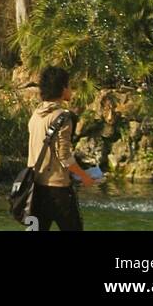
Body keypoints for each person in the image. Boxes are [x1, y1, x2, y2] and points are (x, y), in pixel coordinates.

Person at [26, 65, 95, 231]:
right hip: (59, 191)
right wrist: (84, 176)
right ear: (63, 89)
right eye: (70, 85)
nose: (71, 89)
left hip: (35, 190)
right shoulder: (62, 117)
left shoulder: (36, 115)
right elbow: (64, 156)